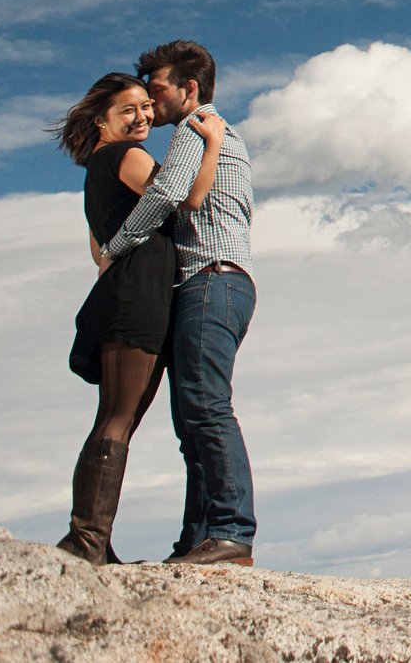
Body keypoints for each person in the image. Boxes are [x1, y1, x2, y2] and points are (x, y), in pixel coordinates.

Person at [97, 40, 258, 567]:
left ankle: (231, 531)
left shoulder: (198, 126)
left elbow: (167, 192)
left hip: (211, 278)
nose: (150, 97)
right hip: (214, 281)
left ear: (189, 88)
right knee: (192, 416)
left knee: (205, 406)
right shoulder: (209, 132)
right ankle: (197, 540)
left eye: (157, 87)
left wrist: (116, 249)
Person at [55, 73, 226, 565]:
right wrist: (212, 144)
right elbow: (183, 198)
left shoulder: (96, 169)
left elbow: (99, 254)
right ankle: (85, 541)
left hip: (123, 292)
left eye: (146, 108)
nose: (143, 117)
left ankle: (93, 541)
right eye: (128, 110)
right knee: (117, 418)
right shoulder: (125, 157)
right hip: (139, 297)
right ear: (101, 121)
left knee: (117, 418)